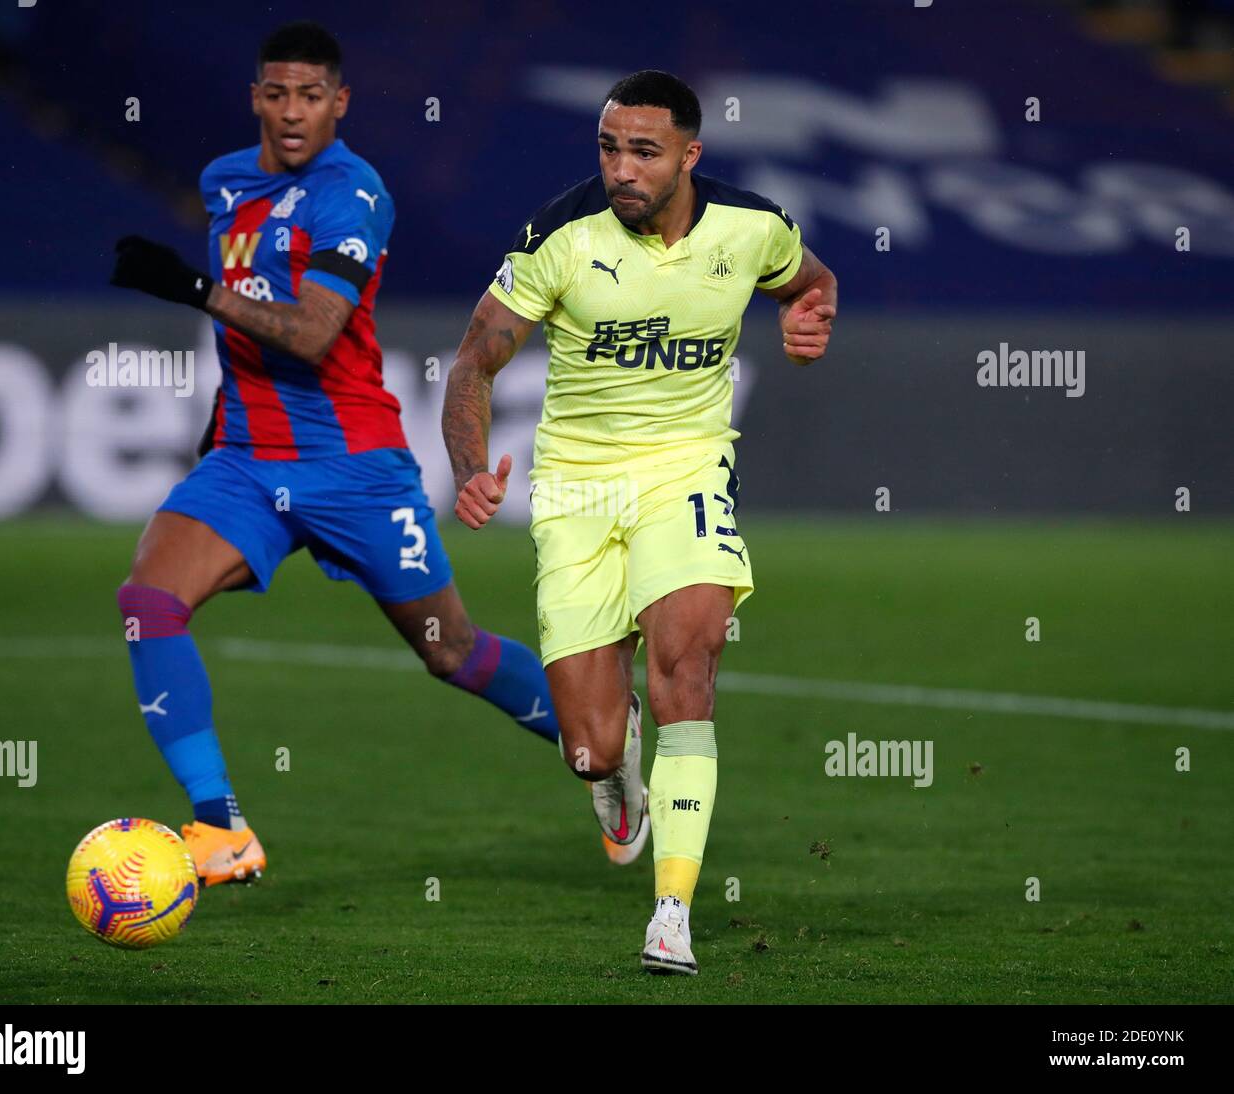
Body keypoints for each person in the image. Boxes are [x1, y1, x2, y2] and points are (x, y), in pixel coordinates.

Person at [108, 22, 640, 887]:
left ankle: (610, 741)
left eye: (310, 95)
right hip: (247, 459)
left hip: (355, 467)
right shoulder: (223, 184)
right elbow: (242, 321)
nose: (291, 112)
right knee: (149, 600)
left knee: (452, 653)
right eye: (275, 93)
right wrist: (218, 424)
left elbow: (315, 333)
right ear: (255, 98)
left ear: (339, 103)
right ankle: (222, 825)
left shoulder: (353, 193)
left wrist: (192, 289)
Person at [441, 70, 837, 973]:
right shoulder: (559, 238)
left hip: (686, 470)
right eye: (609, 148)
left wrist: (811, 320)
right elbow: (473, 364)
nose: (622, 168)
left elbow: (810, 280)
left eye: (645, 152)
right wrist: (469, 471)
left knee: (685, 672)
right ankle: (614, 782)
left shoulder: (753, 227)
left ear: (690, 156)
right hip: (578, 489)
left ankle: (671, 914)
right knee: (590, 745)